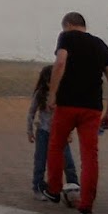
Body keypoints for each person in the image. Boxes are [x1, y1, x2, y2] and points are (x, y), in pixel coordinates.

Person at [44, 11, 108, 214]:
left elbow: (60, 63)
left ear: (68, 25)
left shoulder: (66, 37)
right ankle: (86, 206)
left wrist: (52, 94)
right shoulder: (101, 45)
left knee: (56, 145)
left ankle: (54, 189)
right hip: (92, 108)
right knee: (89, 156)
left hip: (67, 104)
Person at [26, 65, 80, 201]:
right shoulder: (40, 94)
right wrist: (29, 130)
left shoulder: (63, 93)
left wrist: (69, 133)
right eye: (50, 81)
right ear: (45, 81)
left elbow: (68, 116)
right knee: (40, 160)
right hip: (43, 132)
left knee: (68, 161)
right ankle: (37, 187)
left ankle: (73, 186)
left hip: (60, 132)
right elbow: (31, 112)